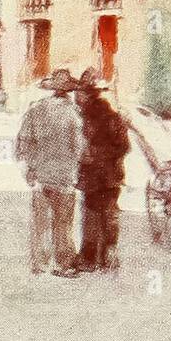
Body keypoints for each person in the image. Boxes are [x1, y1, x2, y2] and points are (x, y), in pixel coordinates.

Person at [15, 69, 82, 276]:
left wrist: (30, 166)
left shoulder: (36, 109)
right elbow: (79, 146)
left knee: (41, 221)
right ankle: (63, 263)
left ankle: (41, 263)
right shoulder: (74, 113)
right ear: (68, 91)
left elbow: (23, 140)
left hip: (41, 174)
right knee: (63, 222)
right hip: (65, 175)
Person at [74, 69, 130, 272]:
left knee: (96, 215)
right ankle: (104, 258)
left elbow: (122, 146)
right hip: (105, 176)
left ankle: (93, 259)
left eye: (79, 92)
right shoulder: (103, 116)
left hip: (101, 176)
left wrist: (95, 154)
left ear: (88, 95)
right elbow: (123, 146)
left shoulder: (101, 117)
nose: (76, 96)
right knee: (103, 216)